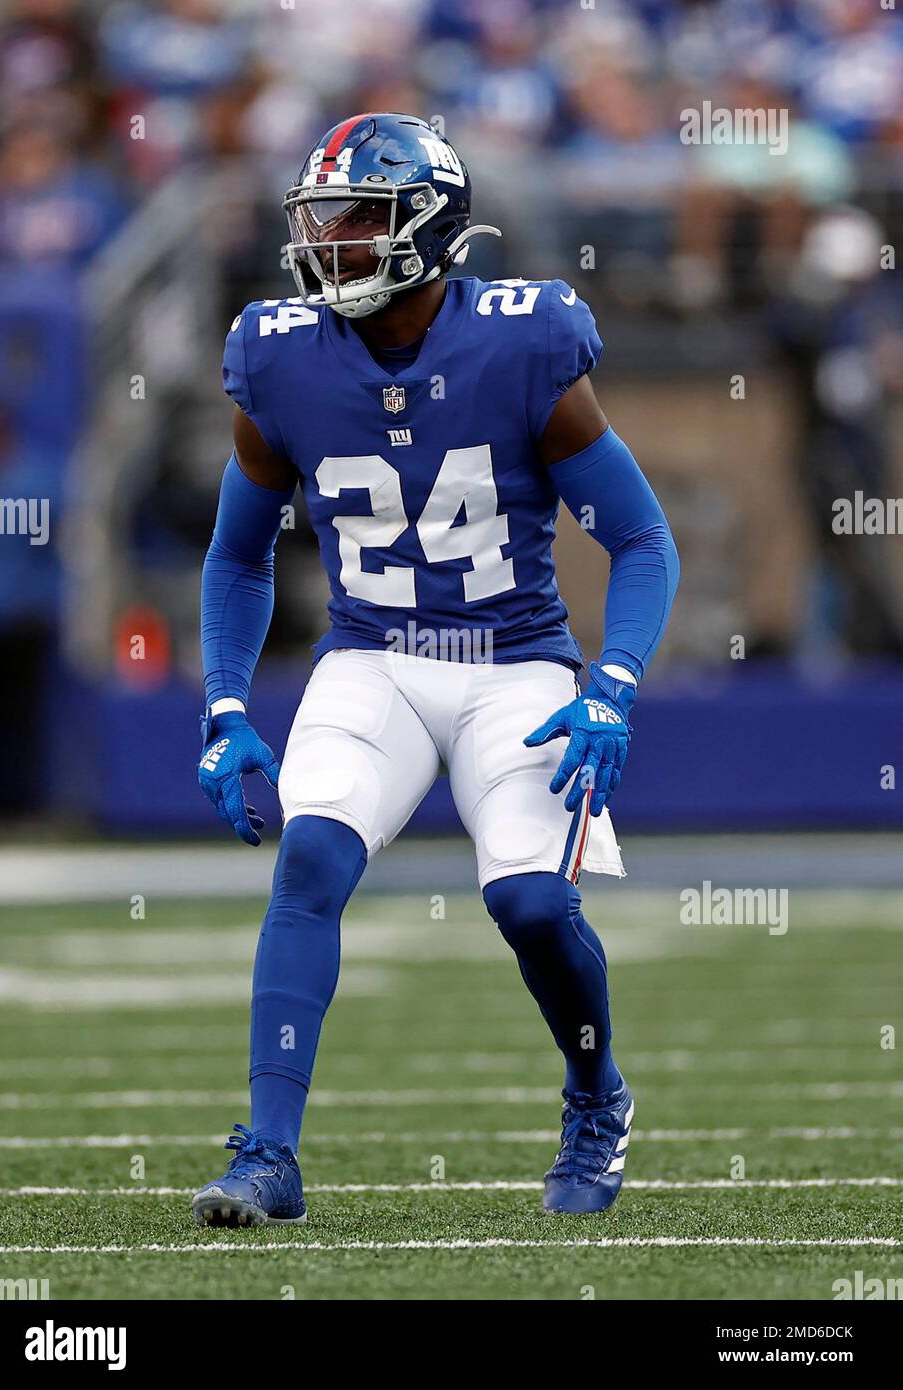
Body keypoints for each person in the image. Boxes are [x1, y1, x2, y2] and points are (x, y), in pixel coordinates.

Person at [192, 113, 679, 1227]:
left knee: (529, 901)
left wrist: (610, 684)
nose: (333, 241)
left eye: (359, 217)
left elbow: (642, 539)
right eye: (324, 218)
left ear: (429, 227)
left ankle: (596, 1096)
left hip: (516, 663)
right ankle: (268, 1152)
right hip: (373, 658)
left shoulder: (522, 339)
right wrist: (225, 701)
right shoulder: (276, 354)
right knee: (307, 860)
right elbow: (236, 551)